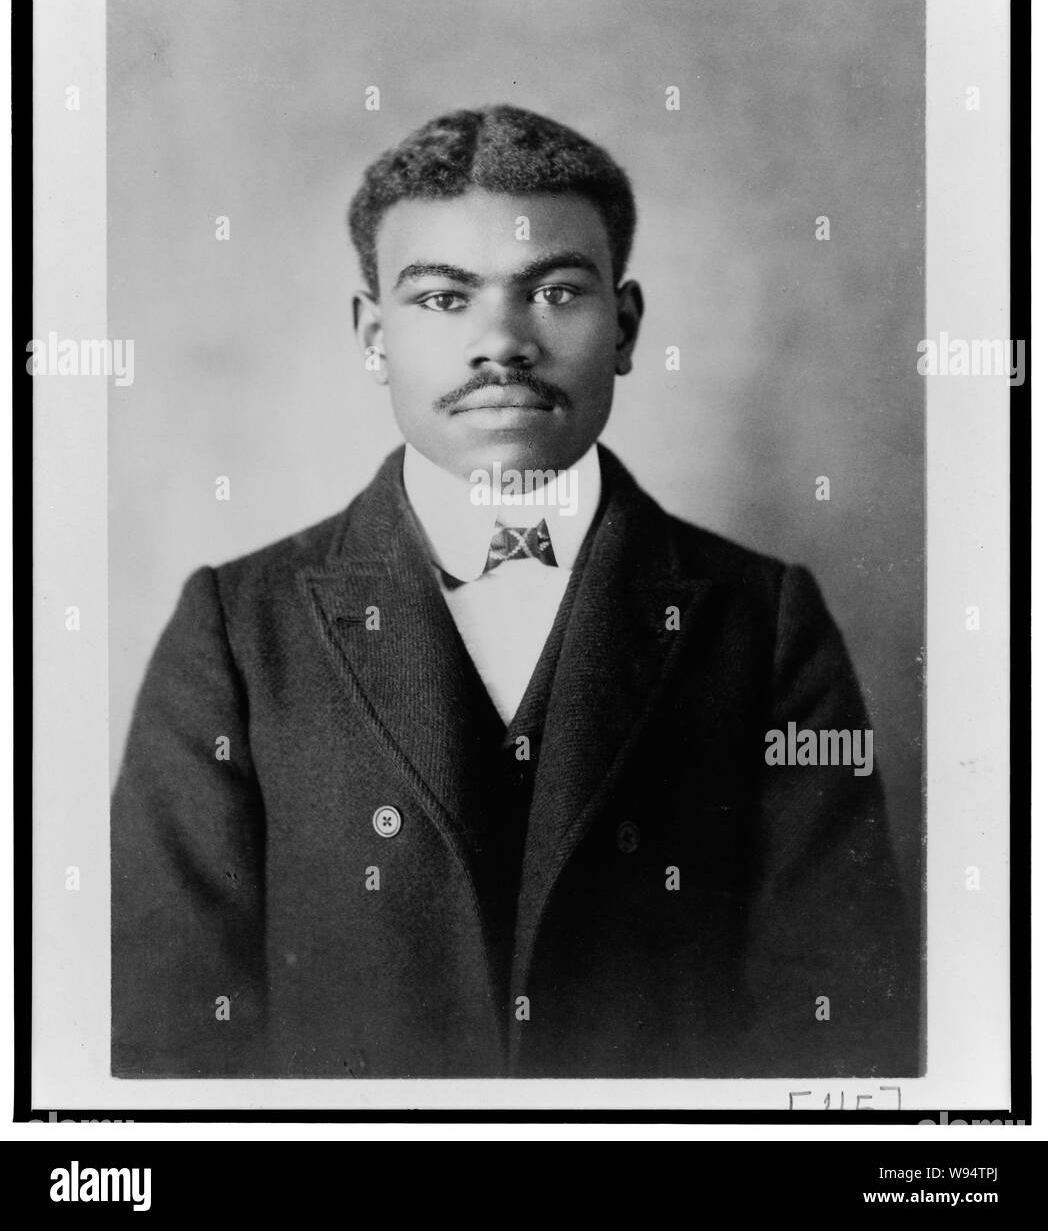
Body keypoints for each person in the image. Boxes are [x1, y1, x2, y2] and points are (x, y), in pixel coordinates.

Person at [112, 105, 919, 1079]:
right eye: (445, 300)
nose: (502, 342)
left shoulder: (766, 621)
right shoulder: (235, 633)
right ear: (374, 334)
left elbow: (832, 1023)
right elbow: (171, 1035)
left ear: (623, 326)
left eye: (555, 290)